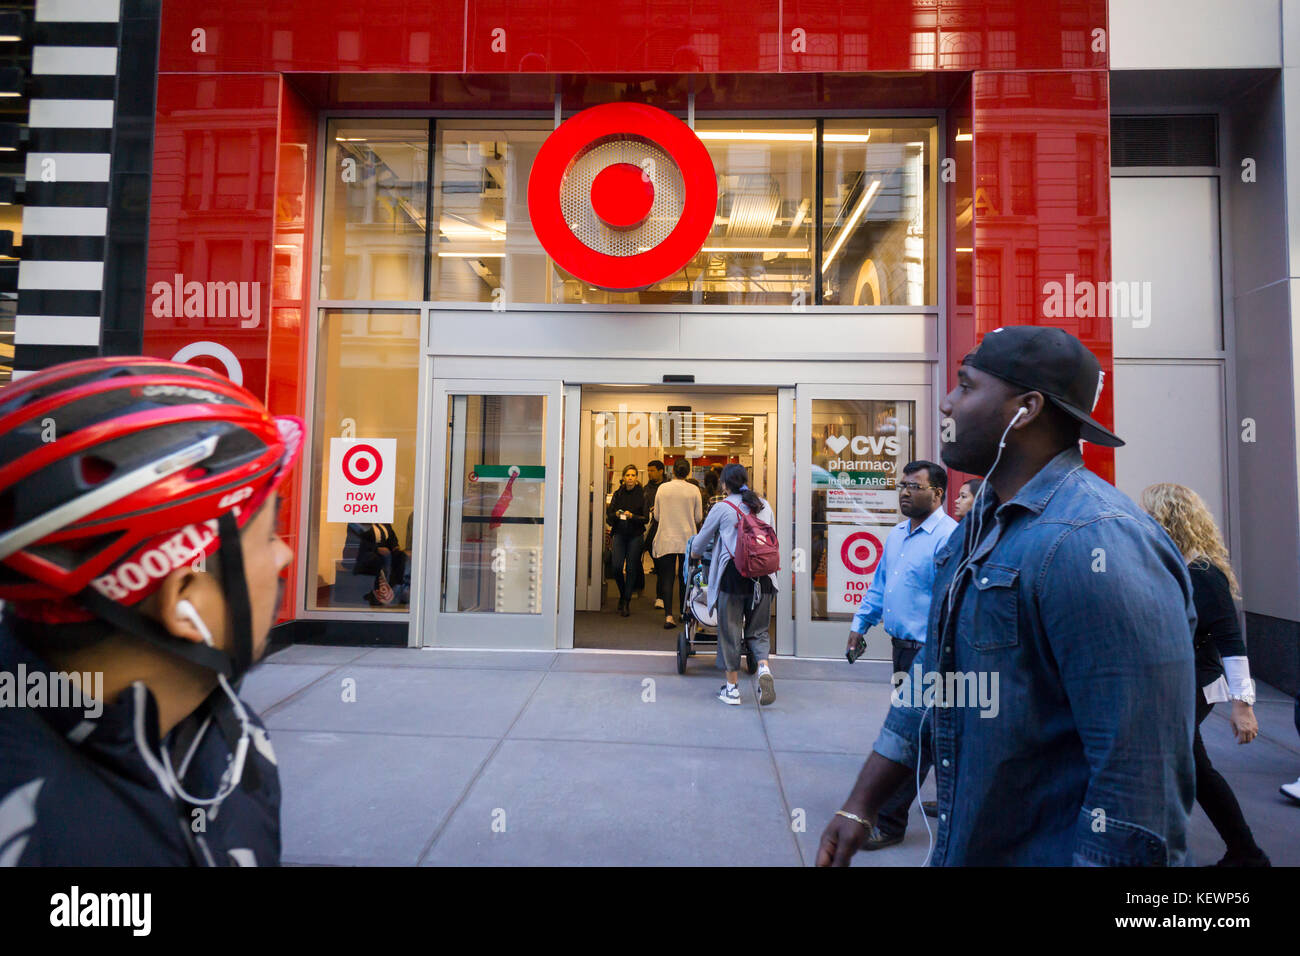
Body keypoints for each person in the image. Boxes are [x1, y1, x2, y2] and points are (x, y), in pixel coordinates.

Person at [817, 325, 1196, 866]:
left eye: (966, 386)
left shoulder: (1096, 541)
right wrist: (862, 804)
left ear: (1026, 409)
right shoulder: (978, 528)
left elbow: (1138, 787)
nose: (948, 401)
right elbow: (932, 682)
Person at [0, 356, 303, 865]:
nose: (284, 556)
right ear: (185, 600)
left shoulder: (227, 730)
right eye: (268, 536)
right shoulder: (45, 841)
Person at [1141, 483, 1271, 867]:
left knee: (1184, 766)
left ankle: (1242, 852)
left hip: (1195, 683)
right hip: (1175, 682)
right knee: (1193, 768)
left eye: (1151, 514)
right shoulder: (1174, 563)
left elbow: (1232, 642)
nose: (1144, 520)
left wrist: (1243, 706)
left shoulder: (1203, 572)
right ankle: (1245, 852)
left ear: (1169, 518)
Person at [845, 460, 957, 850]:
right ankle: (951, 804)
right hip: (901, 651)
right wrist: (860, 625)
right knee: (935, 734)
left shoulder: (949, 538)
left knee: (910, 737)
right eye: (901, 485)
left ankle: (890, 823)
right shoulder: (896, 535)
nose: (904, 492)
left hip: (931, 655)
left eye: (914, 486)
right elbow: (881, 585)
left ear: (937, 493)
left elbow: (953, 604)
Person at [690, 464, 778, 707]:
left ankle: (731, 689)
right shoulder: (764, 505)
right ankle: (763, 669)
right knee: (758, 631)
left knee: (730, 632)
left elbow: (700, 544)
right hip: (764, 577)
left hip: (733, 577)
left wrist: (695, 555)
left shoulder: (722, 507)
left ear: (725, 484)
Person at [652, 459, 702, 629]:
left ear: (672, 471)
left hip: (666, 537)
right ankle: (683, 612)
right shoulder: (694, 490)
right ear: (688, 472)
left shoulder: (662, 488)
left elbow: (657, 516)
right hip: (687, 539)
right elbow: (698, 518)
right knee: (684, 577)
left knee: (667, 577)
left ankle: (668, 616)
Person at [606, 465, 648, 617]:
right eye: (627, 475)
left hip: (635, 536)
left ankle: (627, 601)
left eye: (633, 475)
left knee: (631, 569)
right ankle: (623, 594)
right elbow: (608, 515)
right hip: (619, 534)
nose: (630, 478)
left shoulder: (642, 494)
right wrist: (616, 514)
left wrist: (632, 517)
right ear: (623, 477)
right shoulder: (618, 494)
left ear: (636, 478)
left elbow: (646, 518)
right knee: (616, 567)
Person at [346, 521, 408, 605]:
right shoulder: (358, 523)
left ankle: (396, 590)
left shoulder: (385, 523)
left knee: (401, 556)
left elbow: (392, 538)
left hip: (386, 552)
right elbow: (360, 541)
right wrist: (376, 549)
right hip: (367, 552)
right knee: (381, 557)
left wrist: (396, 548)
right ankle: (380, 592)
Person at [642, 460, 666, 602]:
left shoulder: (667, 487)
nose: (649, 473)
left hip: (664, 528)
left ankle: (661, 596)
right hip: (649, 529)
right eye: (648, 470)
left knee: (662, 564)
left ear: (660, 471)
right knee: (656, 561)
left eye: (652, 470)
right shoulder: (646, 489)